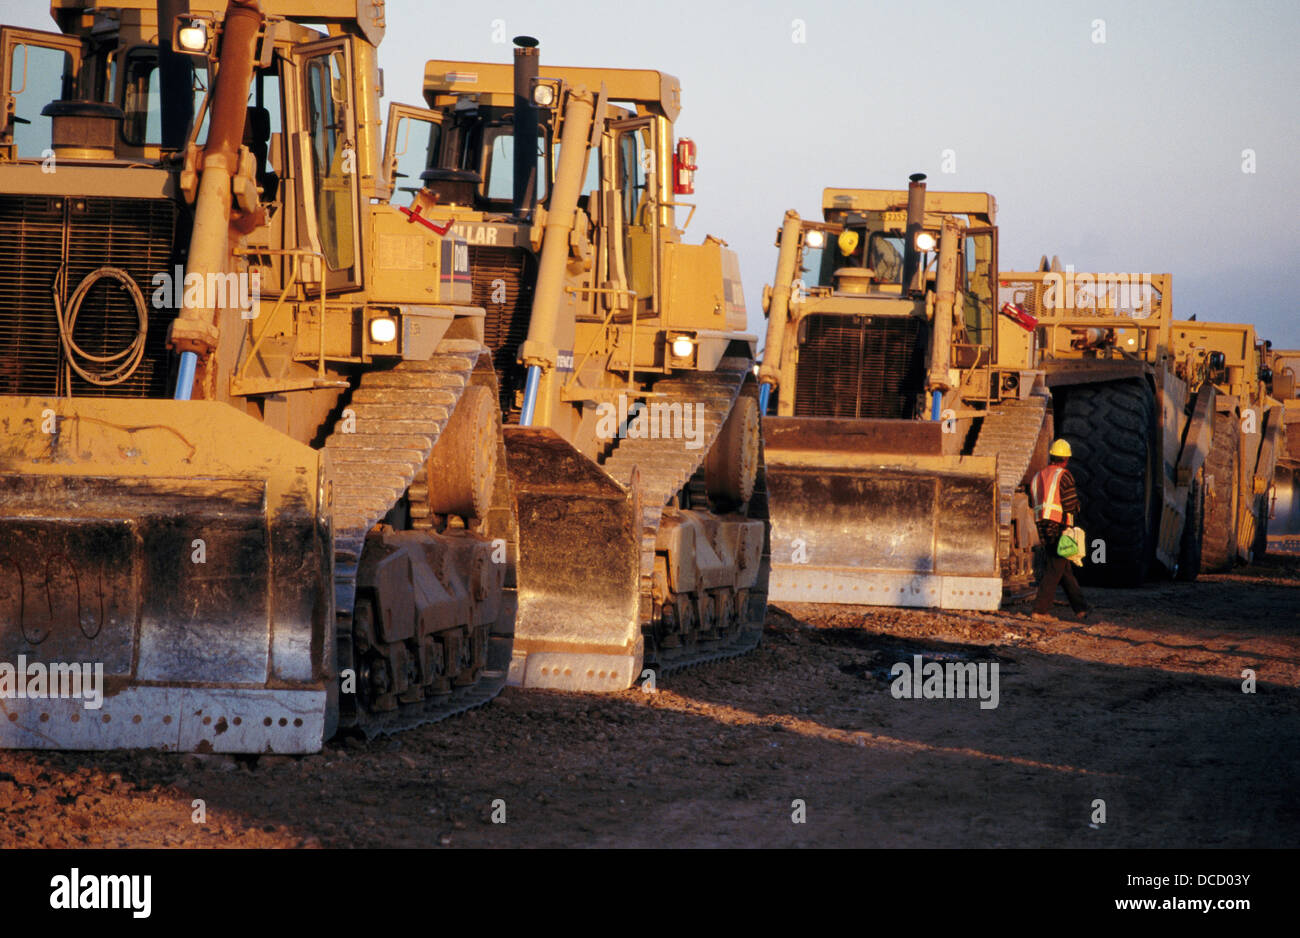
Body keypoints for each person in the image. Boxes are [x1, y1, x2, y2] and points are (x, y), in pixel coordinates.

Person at [1029, 439, 1091, 620]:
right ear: (1065, 459)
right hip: (1059, 526)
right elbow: (1070, 504)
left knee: (1064, 569)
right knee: (1055, 568)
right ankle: (1040, 610)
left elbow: (1032, 501)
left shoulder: (1037, 476)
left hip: (1042, 526)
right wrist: (1078, 509)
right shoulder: (1064, 475)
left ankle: (1081, 609)